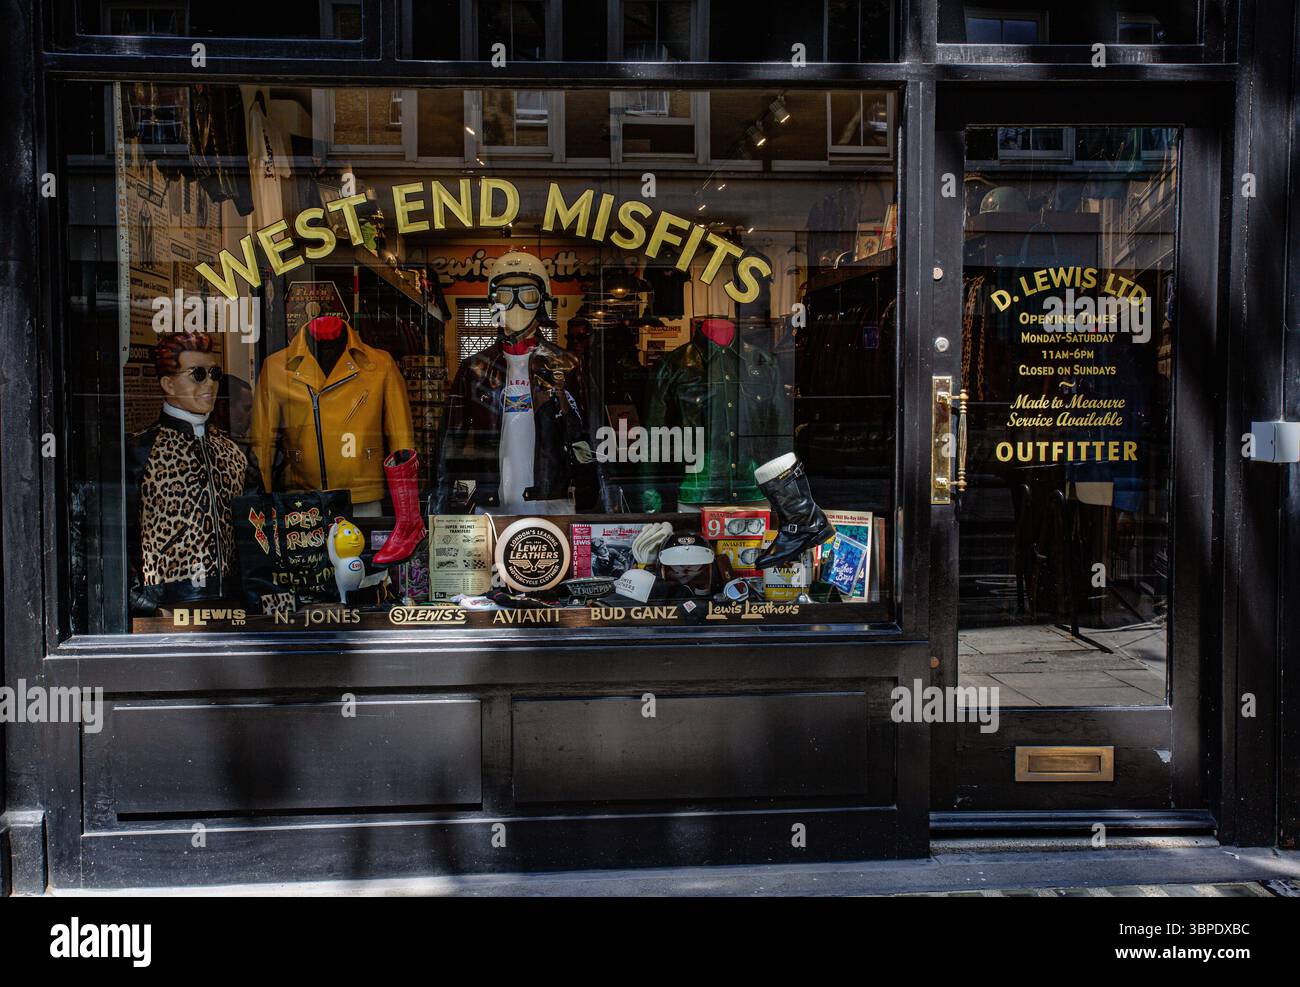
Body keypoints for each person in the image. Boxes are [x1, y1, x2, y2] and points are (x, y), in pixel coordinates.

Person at [127, 332, 262, 615]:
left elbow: (256, 531)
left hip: (233, 604)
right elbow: (116, 538)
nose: (210, 384)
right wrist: (142, 603)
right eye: (198, 374)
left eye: (214, 374)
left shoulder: (235, 451)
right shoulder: (140, 451)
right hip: (167, 606)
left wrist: (257, 595)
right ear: (168, 383)